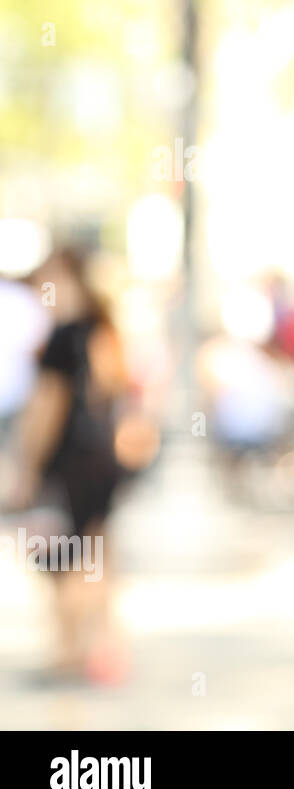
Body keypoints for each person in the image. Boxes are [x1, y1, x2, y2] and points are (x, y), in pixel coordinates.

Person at [10, 247, 131, 684]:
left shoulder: (62, 337)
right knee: (95, 556)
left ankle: (70, 653)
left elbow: (48, 406)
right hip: (101, 458)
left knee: (62, 562)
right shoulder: (102, 328)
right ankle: (101, 650)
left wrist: (25, 463)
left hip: (68, 462)